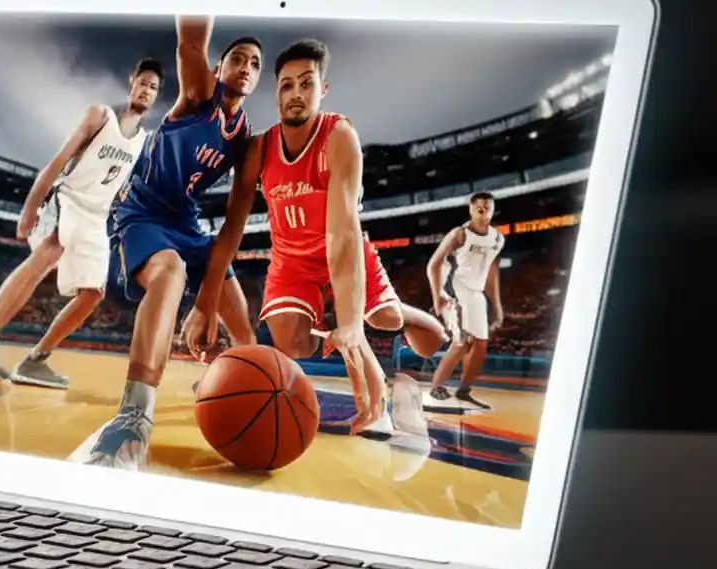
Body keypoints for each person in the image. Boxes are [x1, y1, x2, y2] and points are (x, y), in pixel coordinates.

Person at [184, 38, 447, 436]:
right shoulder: (259, 148)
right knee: (290, 342)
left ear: (322, 90)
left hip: (343, 250)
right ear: (276, 93)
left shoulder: (339, 136)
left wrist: (354, 326)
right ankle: (341, 329)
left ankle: (398, 312)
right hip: (291, 260)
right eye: (286, 85)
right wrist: (205, 305)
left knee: (389, 321)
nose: (295, 93)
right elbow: (232, 230)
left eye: (306, 84)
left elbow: (342, 236)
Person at [77, 16, 262, 470]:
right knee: (171, 271)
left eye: (255, 63)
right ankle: (134, 414)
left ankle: (253, 396)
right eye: (237, 58)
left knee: (245, 334)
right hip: (142, 211)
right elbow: (190, 40)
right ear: (218, 68)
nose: (246, 66)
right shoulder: (201, 92)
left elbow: (235, 224)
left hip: (187, 220)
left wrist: (208, 301)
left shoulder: (245, 139)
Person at [0, 58, 164, 391]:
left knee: (93, 294)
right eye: (143, 82)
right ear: (132, 81)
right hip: (69, 199)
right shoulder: (100, 116)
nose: (146, 90)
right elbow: (57, 162)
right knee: (47, 253)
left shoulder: (143, 141)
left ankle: (35, 361)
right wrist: (31, 207)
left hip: (97, 216)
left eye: (153, 87)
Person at [427, 192, 506, 409]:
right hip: (456, 289)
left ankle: (464, 391)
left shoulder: (498, 239)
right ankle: (437, 386)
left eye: (488, 209)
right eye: (480, 209)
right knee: (462, 341)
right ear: (471, 210)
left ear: (493, 209)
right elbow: (433, 264)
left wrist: (497, 305)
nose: (484, 213)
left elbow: (492, 273)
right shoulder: (460, 234)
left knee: (480, 346)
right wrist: (437, 296)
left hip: (477, 293)